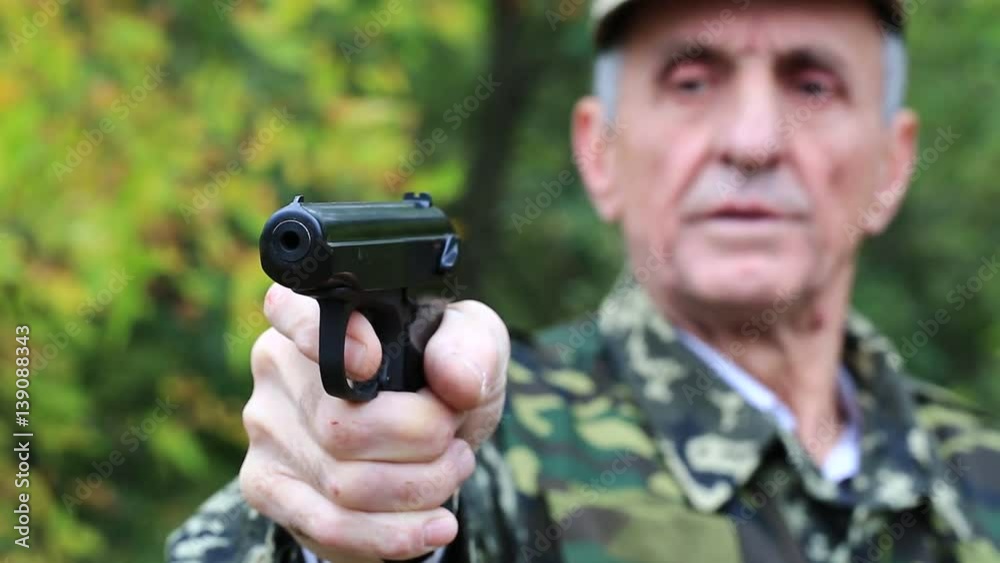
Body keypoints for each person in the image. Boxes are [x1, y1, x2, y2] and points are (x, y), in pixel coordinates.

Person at [167, 0, 1000, 561]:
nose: (751, 141)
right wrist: (333, 521)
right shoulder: (477, 450)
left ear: (892, 164)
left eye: (811, 82)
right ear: (599, 153)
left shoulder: (985, 474)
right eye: (691, 80)